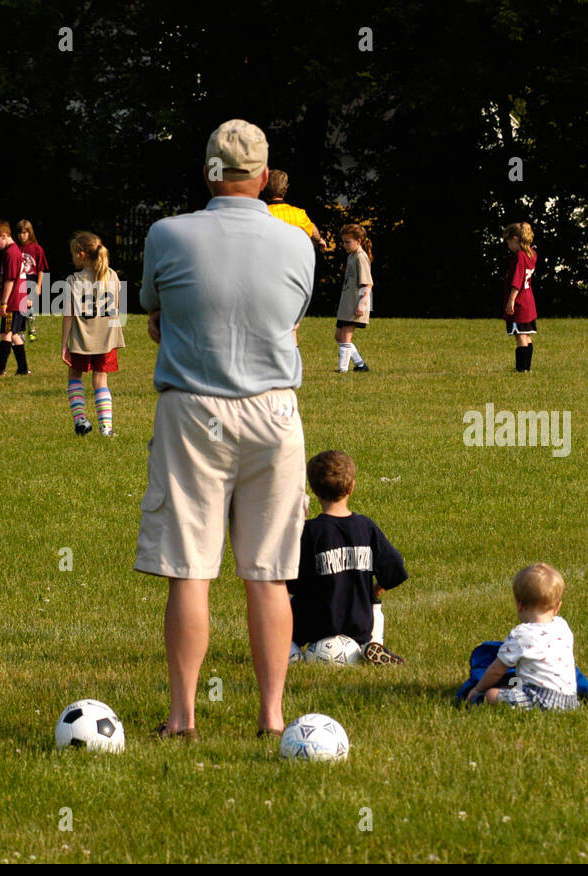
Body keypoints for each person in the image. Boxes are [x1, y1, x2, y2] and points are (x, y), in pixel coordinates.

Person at [135, 119, 314, 740]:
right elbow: (289, 320)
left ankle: (183, 717)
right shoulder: (298, 242)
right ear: (265, 178)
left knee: (190, 569)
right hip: (274, 412)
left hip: (193, 411)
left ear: (208, 172)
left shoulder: (167, 234)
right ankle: (271, 717)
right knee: (269, 573)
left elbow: (156, 314)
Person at [288, 450, 408, 664]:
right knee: (374, 601)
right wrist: (378, 587)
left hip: (316, 623)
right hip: (359, 623)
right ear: (352, 487)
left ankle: (291, 652)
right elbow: (395, 568)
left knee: (282, 604)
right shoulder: (366, 527)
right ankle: (373, 644)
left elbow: (294, 583)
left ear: (314, 490)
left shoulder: (311, 531)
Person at [465, 563, 579, 710]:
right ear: (557, 607)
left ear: (519, 605)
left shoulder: (521, 635)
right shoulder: (562, 626)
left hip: (540, 698)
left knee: (491, 694)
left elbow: (496, 670)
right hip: (570, 699)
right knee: (511, 685)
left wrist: (478, 690)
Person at [61, 231, 125, 436]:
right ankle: (106, 429)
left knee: (74, 376)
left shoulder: (73, 280)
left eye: (73, 253)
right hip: (107, 339)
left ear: (81, 253)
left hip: (82, 338)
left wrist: (65, 344)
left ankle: (80, 420)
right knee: (101, 381)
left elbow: (69, 315)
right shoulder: (113, 276)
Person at [0, 220, 31, 375]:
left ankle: (0, 370)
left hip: (14, 301)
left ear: (3, 236)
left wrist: (4, 303)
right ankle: (23, 369)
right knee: (14, 334)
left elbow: (10, 280)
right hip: (18, 301)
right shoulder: (13, 251)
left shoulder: (11, 253)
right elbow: (6, 279)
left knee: (6, 334)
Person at [334, 224, 373, 373]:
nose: (344, 245)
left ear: (359, 241)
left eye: (347, 242)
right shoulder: (351, 256)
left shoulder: (361, 257)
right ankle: (360, 364)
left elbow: (368, 284)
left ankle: (342, 369)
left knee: (346, 337)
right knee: (339, 336)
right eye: (343, 242)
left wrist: (361, 305)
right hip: (346, 304)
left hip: (355, 305)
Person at [261, 170, 329, 251]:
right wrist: (319, 240)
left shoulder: (259, 213)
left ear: (263, 188)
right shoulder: (298, 214)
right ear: (285, 190)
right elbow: (312, 230)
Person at [503, 222, 537, 372]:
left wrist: (511, 301)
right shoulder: (532, 254)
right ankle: (527, 367)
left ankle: (521, 368)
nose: (508, 245)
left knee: (520, 336)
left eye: (508, 241)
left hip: (520, 303)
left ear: (515, 239)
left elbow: (516, 282)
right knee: (527, 335)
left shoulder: (519, 257)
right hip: (529, 301)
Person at [15, 219, 49, 342]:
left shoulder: (36, 249)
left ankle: (32, 329)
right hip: (19, 281)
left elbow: (41, 269)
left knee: (28, 305)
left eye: (25, 232)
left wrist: (39, 285)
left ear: (30, 233)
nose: (22, 235)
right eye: (20, 233)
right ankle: (21, 331)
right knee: (19, 307)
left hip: (31, 280)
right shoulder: (15, 248)